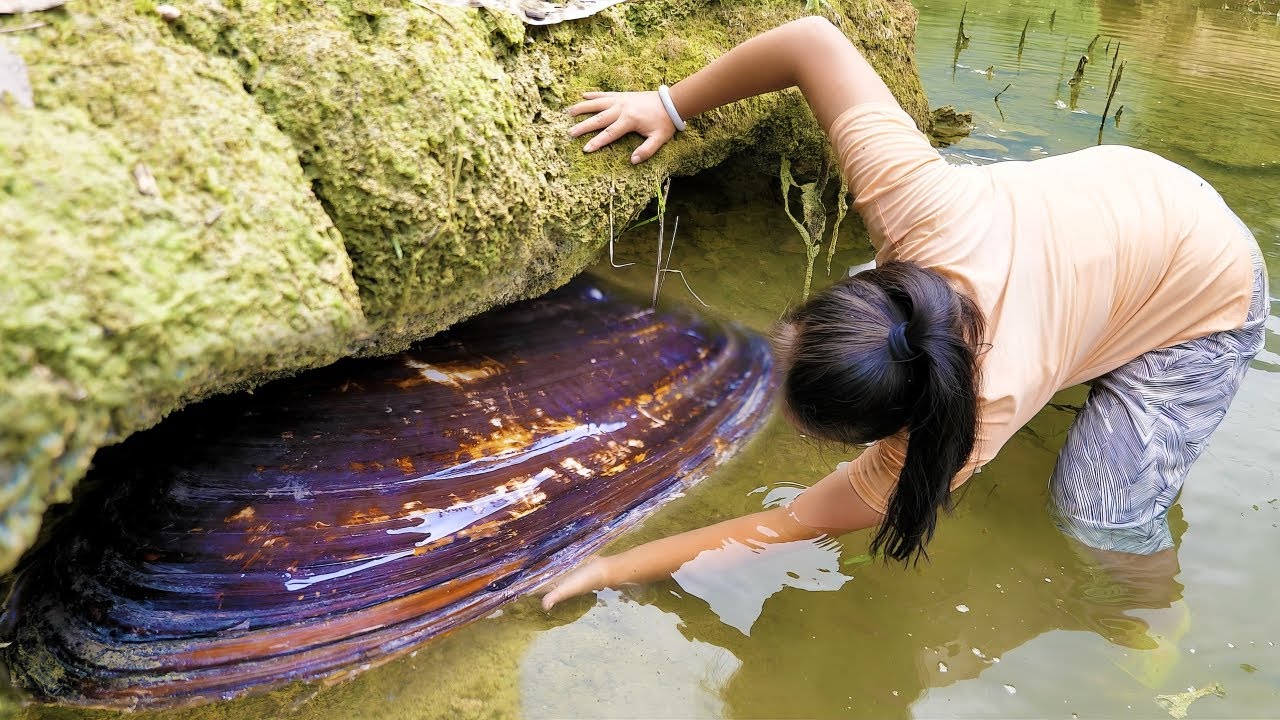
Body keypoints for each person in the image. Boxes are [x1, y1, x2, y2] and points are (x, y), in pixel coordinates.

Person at [540, 16, 1269, 609]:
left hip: (1207, 292)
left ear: (896, 433)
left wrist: (613, 568)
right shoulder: (914, 203)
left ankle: (1150, 628)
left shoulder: (975, 416)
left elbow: (789, 523)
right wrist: (666, 105)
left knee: (1095, 516)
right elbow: (811, 41)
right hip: (1130, 205)